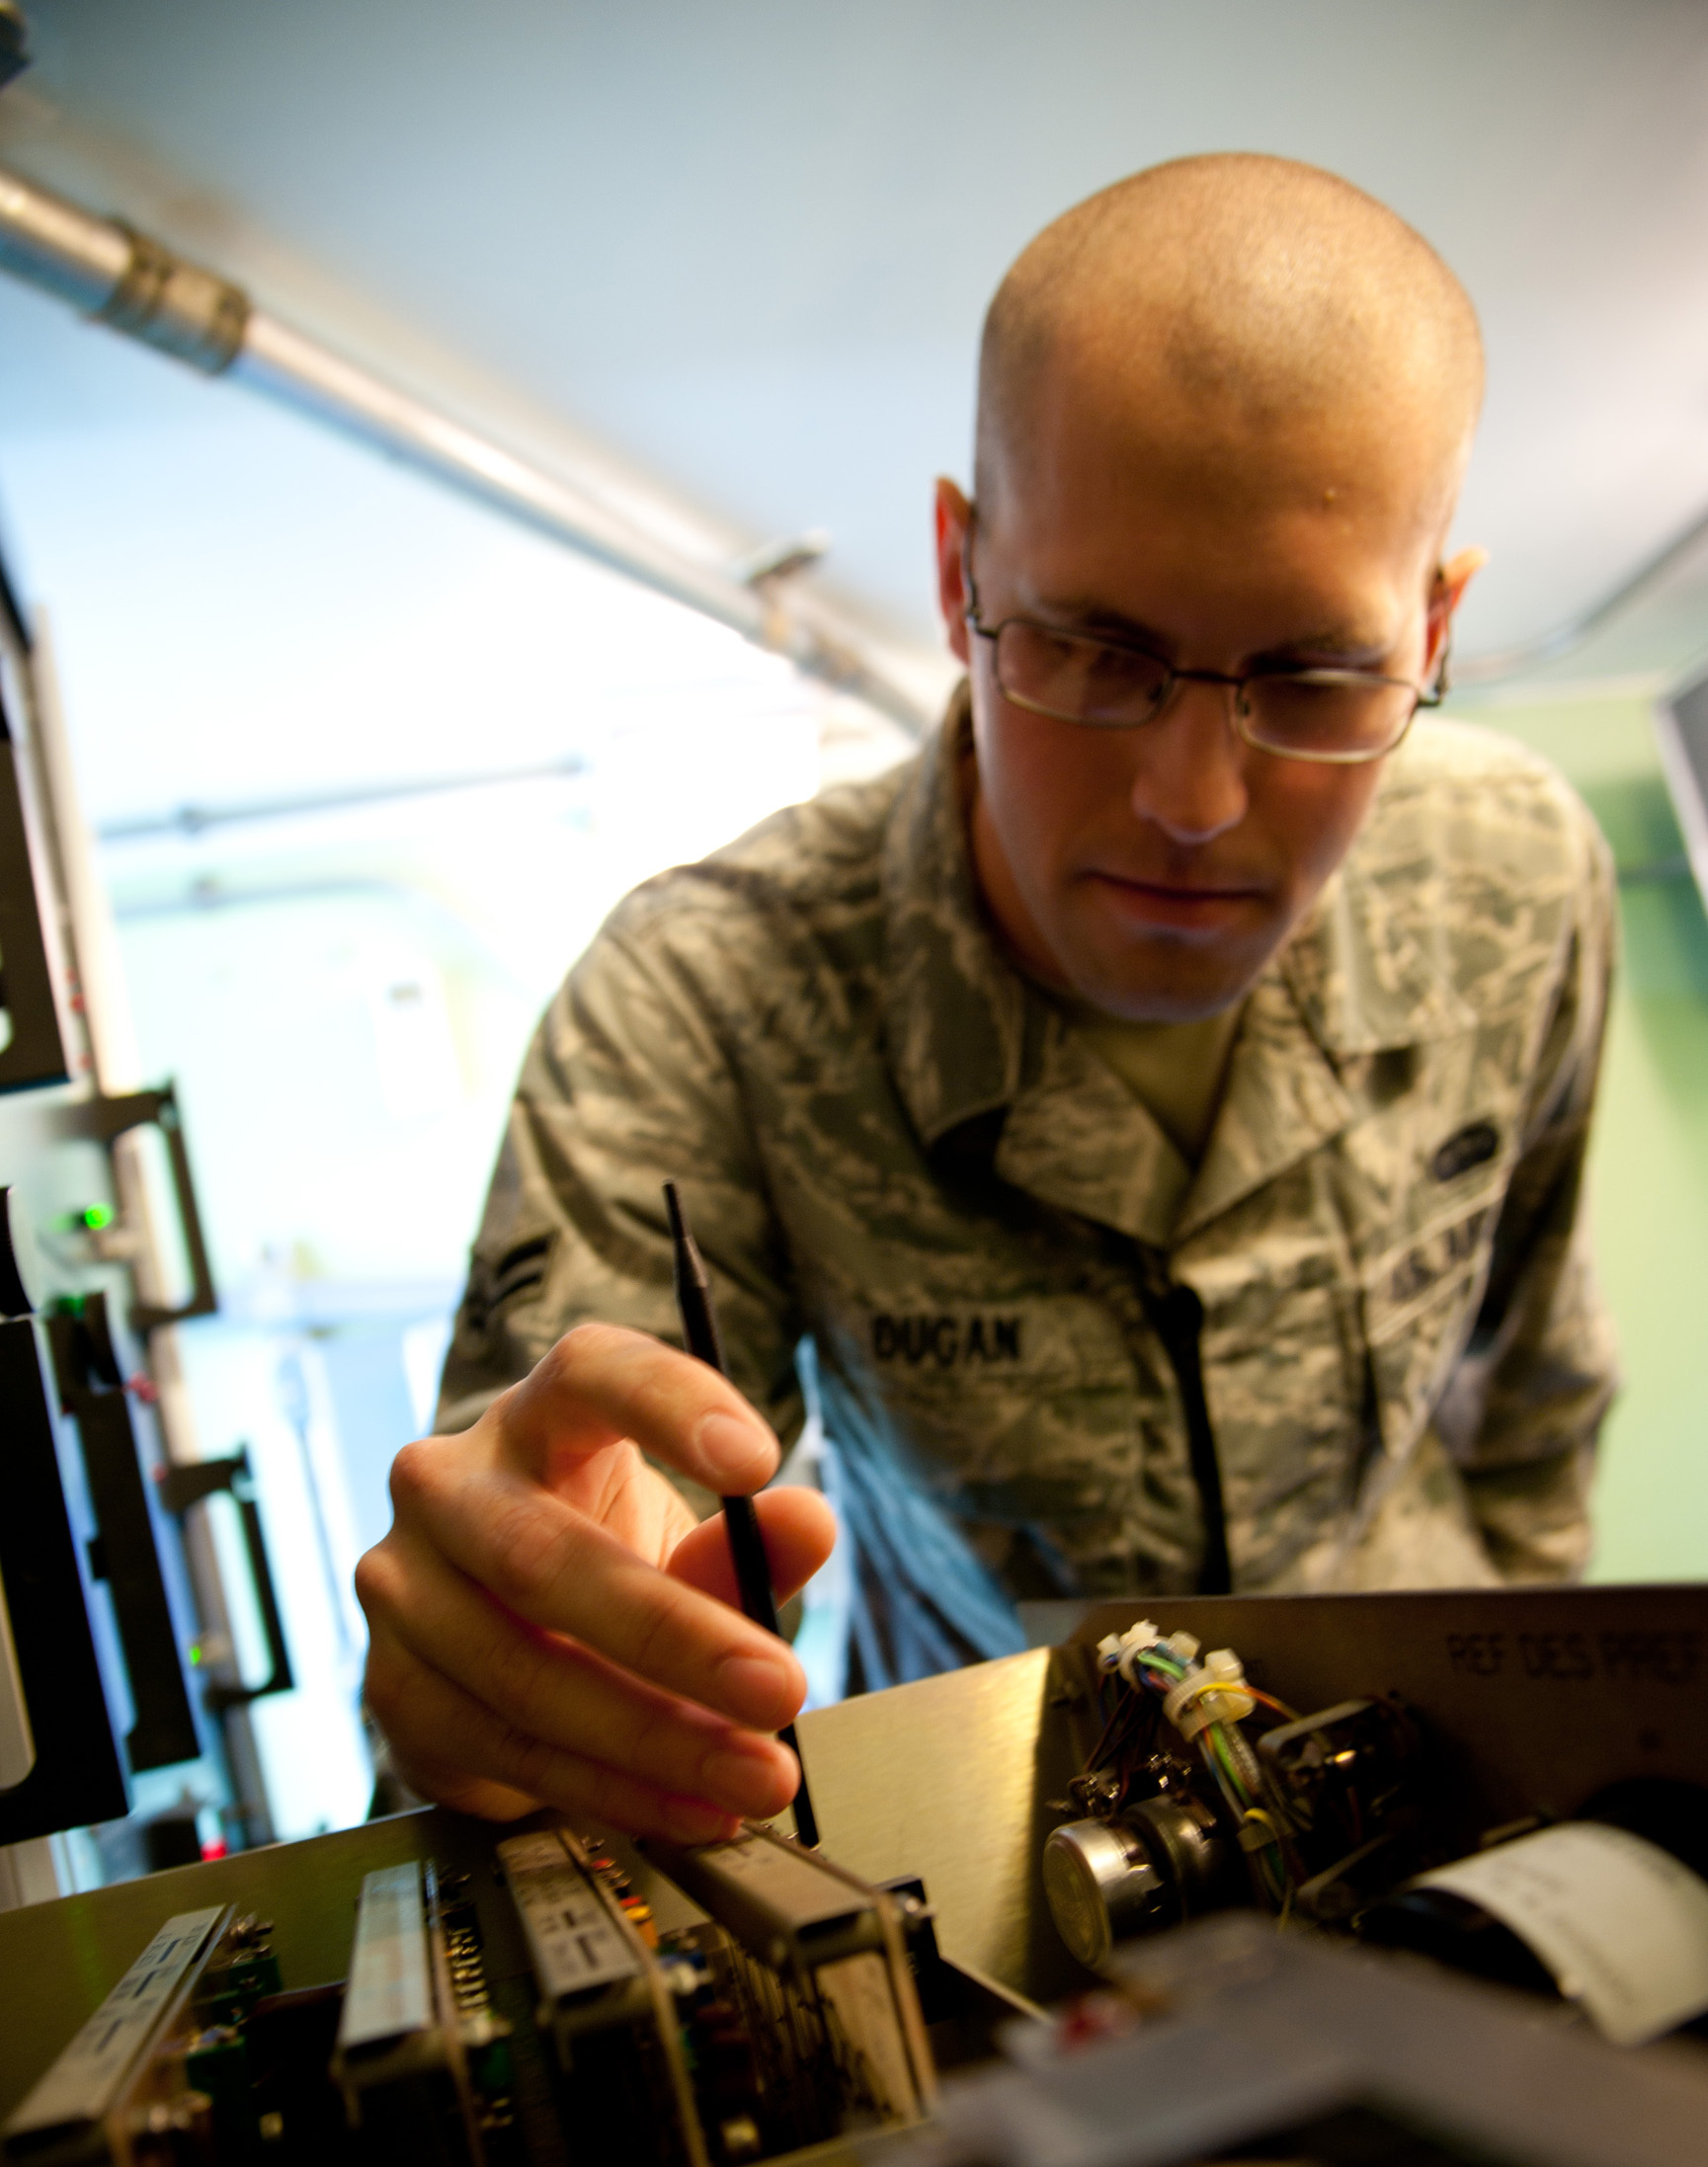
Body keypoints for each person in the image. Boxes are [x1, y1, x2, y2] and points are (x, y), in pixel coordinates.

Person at [358, 154, 1617, 1847]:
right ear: (960, 572)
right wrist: (526, 1656)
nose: (1191, 802)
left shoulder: (1514, 881)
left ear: (1437, 626)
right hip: (1015, 1878)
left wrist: (1547, 1775)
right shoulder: (709, 996)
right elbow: (570, 1523)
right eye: (1095, 654)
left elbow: (1533, 1408)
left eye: (1314, 677)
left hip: (1443, 1824)